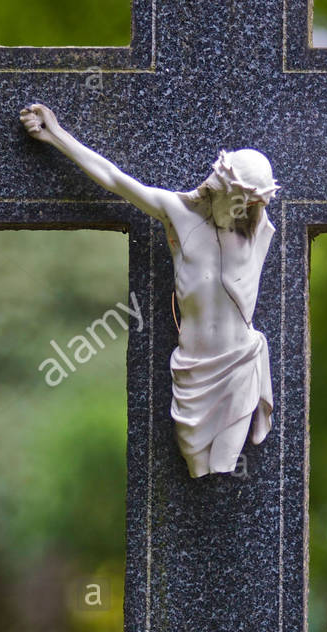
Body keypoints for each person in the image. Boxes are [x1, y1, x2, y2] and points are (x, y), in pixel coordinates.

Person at [20, 103, 279, 477]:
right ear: (219, 186)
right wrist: (55, 134)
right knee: (196, 464)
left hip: (239, 366)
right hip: (193, 370)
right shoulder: (179, 213)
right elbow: (113, 178)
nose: (243, 209)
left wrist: (254, 195)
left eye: (251, 203)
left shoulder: (255, 232)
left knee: (224, 465)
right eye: (238, 198)